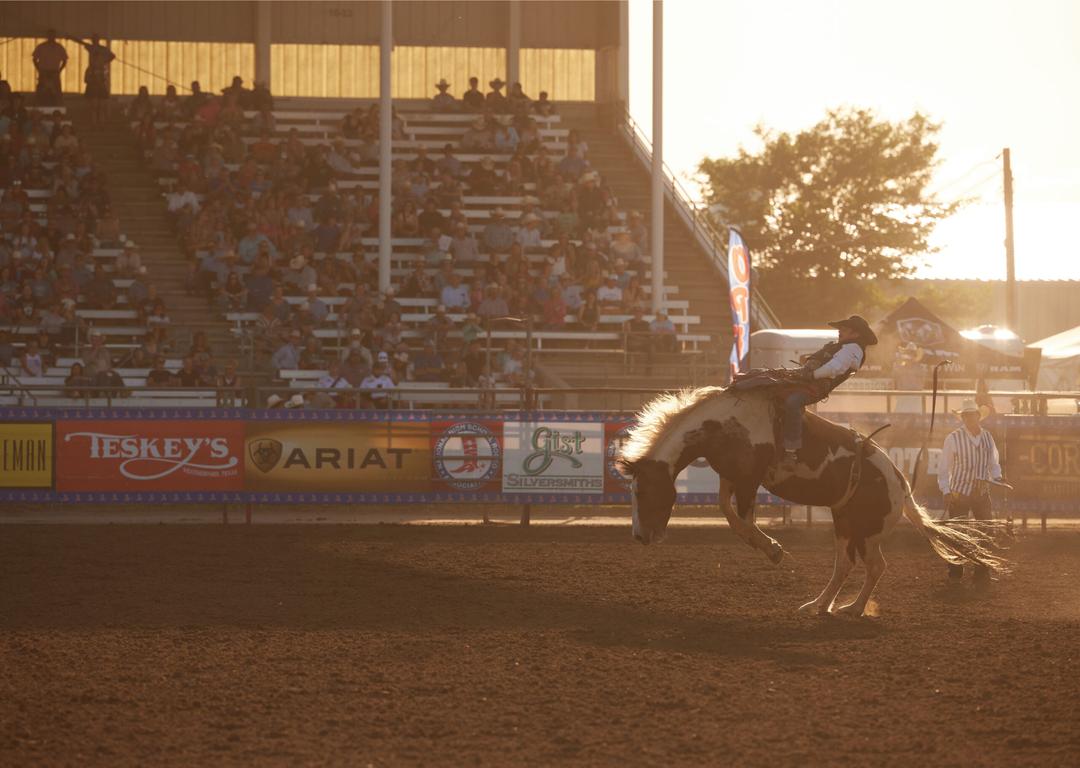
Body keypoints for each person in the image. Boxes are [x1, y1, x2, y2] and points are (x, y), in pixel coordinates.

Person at [779, 315, 879, 468]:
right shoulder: (842, 346)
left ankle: (790, 450)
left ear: (856, 334)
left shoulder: (853, 348)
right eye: (841, 328)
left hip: (816, 387)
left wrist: (812, 375)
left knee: (793, 402)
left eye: (845, 329)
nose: (840, 331)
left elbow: (834, 368)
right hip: (807, 382)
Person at [938, 399, 1003, 584]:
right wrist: (946, 491)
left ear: (978, 416)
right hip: (960, 492)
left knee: (985, 532)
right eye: (966, 415)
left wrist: (998, 477)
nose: (969, 418)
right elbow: (944, 468)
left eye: (972, 415)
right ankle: (955, 572)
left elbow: (993, 462)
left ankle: (982, 572)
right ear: (963, 417)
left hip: (981, 492)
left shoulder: (987, 437)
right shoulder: (953, 438)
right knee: (958, 533)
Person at [69, 34, 115, 125]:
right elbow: (81, 42)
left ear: (98, 40)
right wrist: (71, 38)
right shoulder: (91, 47)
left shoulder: (103, 49)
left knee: (101, 105)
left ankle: (101, 123)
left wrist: (104, 61)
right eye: (94, 39)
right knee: (94, 105)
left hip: (100, 77)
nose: (95, 40)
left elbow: (113, 56)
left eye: (96, 39)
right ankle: (94, 123)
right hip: (93, 76)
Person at [32, 30, 68, 106]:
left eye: (52, 35)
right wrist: (39, 70)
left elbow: (65, 60)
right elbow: (34, 59)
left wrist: (59, 71)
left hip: (54, 72)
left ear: (55, 36)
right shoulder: (41, 46)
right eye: (50, 35)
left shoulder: (59, 47)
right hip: (44, 72)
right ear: (47, 36)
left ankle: (57, 107)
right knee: (42, 91)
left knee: (56, 92)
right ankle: (40, 106)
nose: (51, 37)